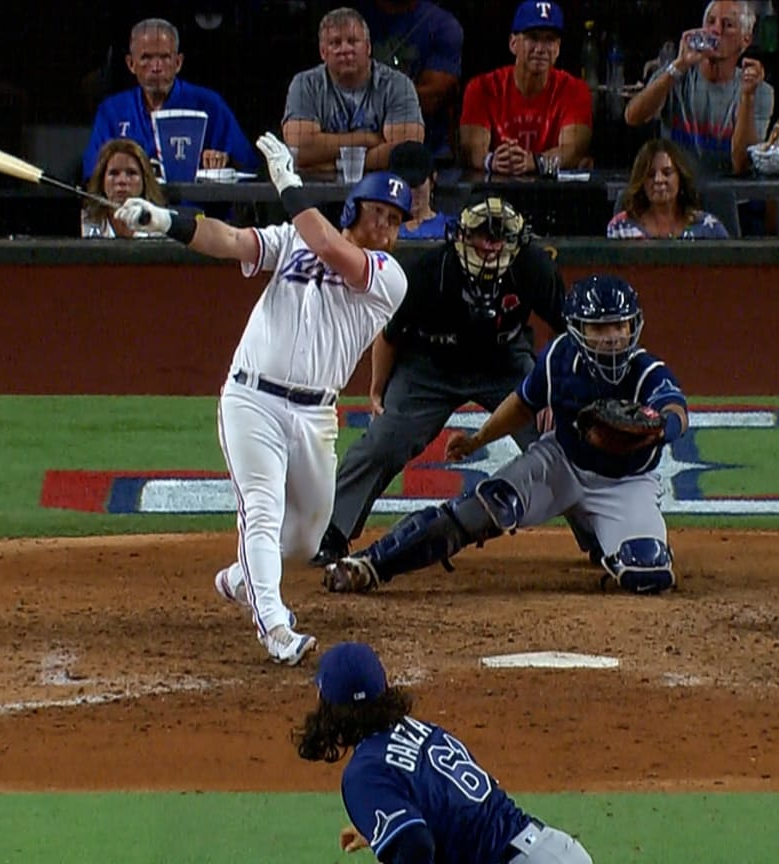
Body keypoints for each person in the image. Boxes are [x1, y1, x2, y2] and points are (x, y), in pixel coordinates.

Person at [113, 132, 412, 665]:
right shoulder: (294, 241)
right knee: (263, 508)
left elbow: (327, 246)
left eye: (395, 220)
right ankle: (275, 625)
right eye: (378, 213)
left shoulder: (390, 279)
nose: (386, 228)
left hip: (316, 414)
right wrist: (164, 222)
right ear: (353, 208)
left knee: (307, 538)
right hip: (252, 399)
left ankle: (241, 576)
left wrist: (290, 183)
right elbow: (229, 241)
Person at [323, 274, 689, 597]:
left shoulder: (646, 370)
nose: (612, 338)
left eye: (619, 326)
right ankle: (371, 564)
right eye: (600, 328)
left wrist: (659, 428)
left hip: (625, 483)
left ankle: (614, 547)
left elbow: (676, 411)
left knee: (648, 573)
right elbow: (521, 405)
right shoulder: (560, 357)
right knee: (482, 507)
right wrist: (477, 440)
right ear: (578, 329)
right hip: (561, 462)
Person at [309, 195, 569, 566]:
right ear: (461, 234)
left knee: (559, 439)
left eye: (500, 234)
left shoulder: (533, 266)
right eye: (482, 233)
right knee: (384, 441)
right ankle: (331, 533)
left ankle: (605, 538)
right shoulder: (428, 271)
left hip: (504, 363)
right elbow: (389, 336)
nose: (491, 243)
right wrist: (378, 388)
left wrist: (552, 390)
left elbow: (570, 332)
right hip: (429, 366)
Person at [297, 641, 594, 864]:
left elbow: (416, 846)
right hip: (559, 850)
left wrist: (402, 834)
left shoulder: (364, 772)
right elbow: (447, 804)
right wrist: (384, 826)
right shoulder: (420, 729)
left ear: (332, 709)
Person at [81, 18, 259, 180]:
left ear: (178, 63)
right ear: (131, 64)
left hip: (196, 211)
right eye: (146, 58)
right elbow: (93, 171)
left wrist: (224, 160)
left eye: (165, 57)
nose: (156, 67)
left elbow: (247, 165)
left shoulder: (209, 104)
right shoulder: (112, 110)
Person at [622, 0, 774, 176]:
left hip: (729, 197)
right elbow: (632, 117)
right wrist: (678, 65)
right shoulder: (675, 75)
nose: (715, 31)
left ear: (745, 40)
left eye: (727, 25)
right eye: (710, 22)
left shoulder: (759, 91)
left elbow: (742, 164)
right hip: (676, 195)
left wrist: (747, 97)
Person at [283, 7, 425, 174]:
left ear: (368, 47)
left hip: (383, 191)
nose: (345, 50)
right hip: (317, 194)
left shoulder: (398, 85)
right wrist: (368, 139)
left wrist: (338, 165)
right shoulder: (305, 84)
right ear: (323, 52)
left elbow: (407, 151)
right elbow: (299, 148)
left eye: (352, 41)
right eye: (335, 43)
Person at [459, 0, 592, 177]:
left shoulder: (575, 90)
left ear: (558, 48)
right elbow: (471, 149)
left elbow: (573, 150)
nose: (540, 49)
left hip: (555, 194)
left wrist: (535, 162)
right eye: (533, 37)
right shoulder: (482, 87)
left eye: (549, 40)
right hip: (493, 189)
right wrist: (493, 160)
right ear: (513, 43)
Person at [361, 0, 464, 159]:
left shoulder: (442, 25)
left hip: (428, 153)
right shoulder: (354, 17)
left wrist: (364, 95)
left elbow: (432, 98)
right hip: (357, 151)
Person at [607, 139, 730, 239]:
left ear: (680, 177)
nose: (659, 180)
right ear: (641, 181)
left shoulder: (708, 228)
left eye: (667, 173)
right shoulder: (621, 227)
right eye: (650, 175)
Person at [81, 139, 166, 238]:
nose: (122, 181)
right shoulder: (84, 222)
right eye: (114, 173)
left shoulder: (161, 224)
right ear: (102, 180)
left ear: (144, 180)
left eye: (131, 173)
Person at [386, 139, 450, 239]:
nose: (410, 192)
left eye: (416, 184)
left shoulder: (450, 228)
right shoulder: (381, 229)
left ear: (433, 179)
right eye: (404, 185)